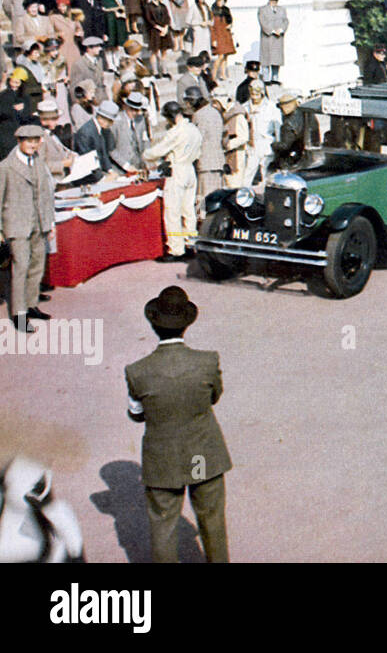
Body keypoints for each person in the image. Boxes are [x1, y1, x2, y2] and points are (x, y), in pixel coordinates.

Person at [124, 287, 232, 563]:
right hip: (200, 456)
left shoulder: (137, 372)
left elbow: (136, 414)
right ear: (186, 324)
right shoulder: (206, 362)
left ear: (153, 324)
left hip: (163, 461)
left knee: (163, 525)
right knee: (211, 519)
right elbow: (214, 396)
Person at [0, 123, 57, 332]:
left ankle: (32, 304)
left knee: (36, 265)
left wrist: (50, 223)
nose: (33, 145)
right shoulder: (6, 166)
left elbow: (46, 195)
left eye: (36, 141)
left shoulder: (38, 162)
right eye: (29, 142)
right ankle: (19, 315)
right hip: (16, 225)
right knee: (21, 267)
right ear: (19, 142)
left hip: (38, 223)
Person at [144, 101, 203, 261]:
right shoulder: (194, 129)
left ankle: (176, 249)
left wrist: (146, 155)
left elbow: (158, 151)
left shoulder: (176, 132)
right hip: (190, 169)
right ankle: (190, 243)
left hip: (177, 170)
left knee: (172, 212)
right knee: (189, 210)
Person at [73, 100, 119, 183]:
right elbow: (87, 160)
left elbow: (103, 153)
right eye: (111, 121)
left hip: (98, 174)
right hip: (87, 179)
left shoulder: (101, 130)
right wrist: (103, 179)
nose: (111, 125)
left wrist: (110, 170)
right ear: (103, 119)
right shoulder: (86, 132)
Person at [110, 92, 151, 176]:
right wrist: (126, 166)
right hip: (121, 169)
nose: (134, 113)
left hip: (138, 166)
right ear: (126, 106)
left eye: (137, 110)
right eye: (132, 110)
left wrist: (147, 160)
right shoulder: (116, 122)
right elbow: (110, 149)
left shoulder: (141, 120)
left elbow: (145, 141)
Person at [36, 100, 75, 180]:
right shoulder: (40, 138)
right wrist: (63, 164)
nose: (57, 122)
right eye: (54, 119)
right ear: (44, 120)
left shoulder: (51, 134)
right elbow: (39, 167)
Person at [269, 90, 307, 170]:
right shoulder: (305, 113)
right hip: (304, 152)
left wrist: (273, 145)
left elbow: (285, 146)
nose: (281, 109)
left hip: (292, 159)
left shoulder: (288, 125)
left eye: (281, 107)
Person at [257, 0, 288, 83]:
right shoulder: (262, 9)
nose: (274, 1)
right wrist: (273, 31)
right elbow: (262, 23)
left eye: (276, 0)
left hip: (278, 39)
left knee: (276, 60)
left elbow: (286, 21)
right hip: (267, 38)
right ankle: (266, 79)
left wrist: (281, 30)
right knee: (266, 60)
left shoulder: (282, 10)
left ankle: (275, 79)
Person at [221, 97, 251, 188]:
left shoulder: (238, 116)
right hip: (225, 156)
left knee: (234, 184)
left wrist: (228, 145)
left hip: (236, 155)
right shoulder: (224, 114)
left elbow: (244, 137)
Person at [210, 0, 236, 81]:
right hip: (218, 36)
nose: (220, 2)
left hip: (226, 34)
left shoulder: (226, 10)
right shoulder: (213, 11)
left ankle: (223, 74)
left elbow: (230, 21)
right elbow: (212, 27)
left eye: (222, 1)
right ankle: (213, 74)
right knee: (220, 56)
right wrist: (213, 39)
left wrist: (230, 25)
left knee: (225, 56)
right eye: (219, 1)